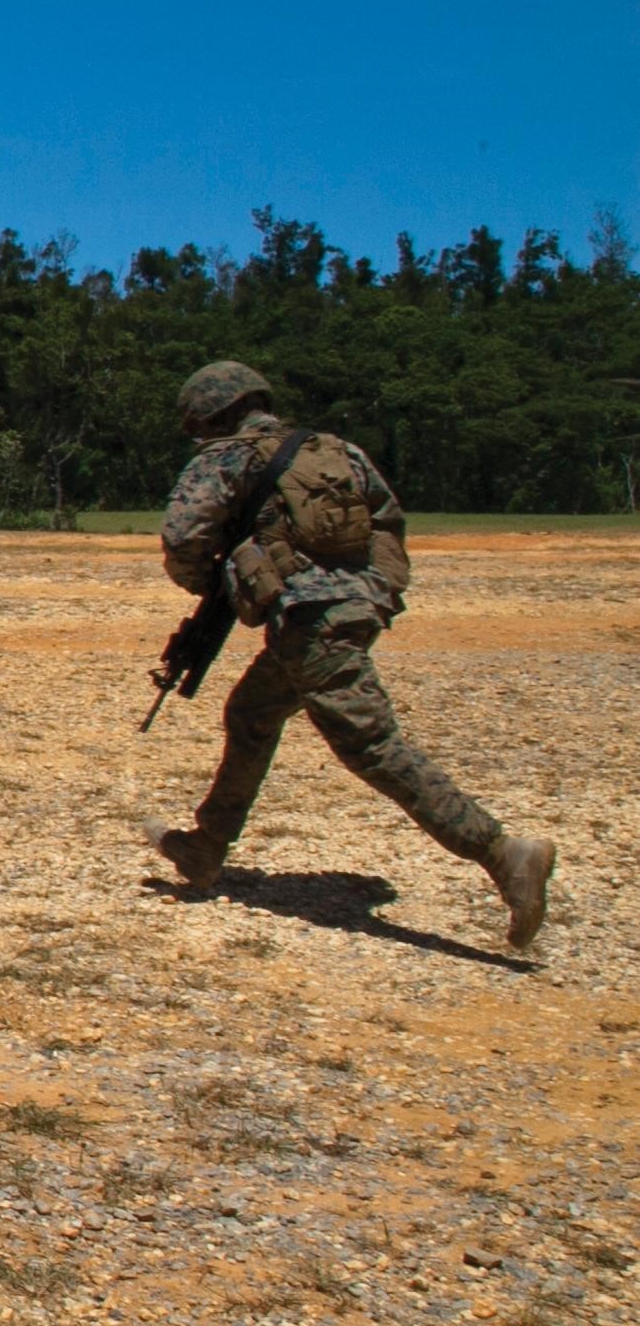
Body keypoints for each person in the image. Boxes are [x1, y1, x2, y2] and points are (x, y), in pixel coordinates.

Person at [144, 361, 555, 947]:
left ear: (212, 416)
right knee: (251, 714)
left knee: (371, 745)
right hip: (349, 612)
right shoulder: (336, 450)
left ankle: (502, 852)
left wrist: (220, 585)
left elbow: (183, 541)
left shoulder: (224, 457)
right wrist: (373, 596)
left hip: (311, 625)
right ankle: (206, 847)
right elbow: (387, 521)